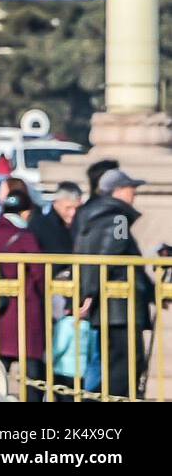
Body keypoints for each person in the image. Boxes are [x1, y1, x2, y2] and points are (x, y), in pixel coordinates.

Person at [74, 169, 155, 399]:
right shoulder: (118, 217)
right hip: (120, 307)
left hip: (112, 306)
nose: (134, 194)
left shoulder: (94, 215)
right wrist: (89, 294)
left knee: (115, 363)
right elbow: (113, 254)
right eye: (131, 189)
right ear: (118, 190)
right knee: (125, 365)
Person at [0, 191, 47, 400]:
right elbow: (39, 273)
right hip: (25, 310)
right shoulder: (25, 237)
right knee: (32, 370)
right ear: (25, 212)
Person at [30, 180, 80, 255]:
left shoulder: (82, 224)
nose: (73, 213)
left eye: (77, 208)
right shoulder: (39, 225)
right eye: (68, 208)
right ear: (56, 203)